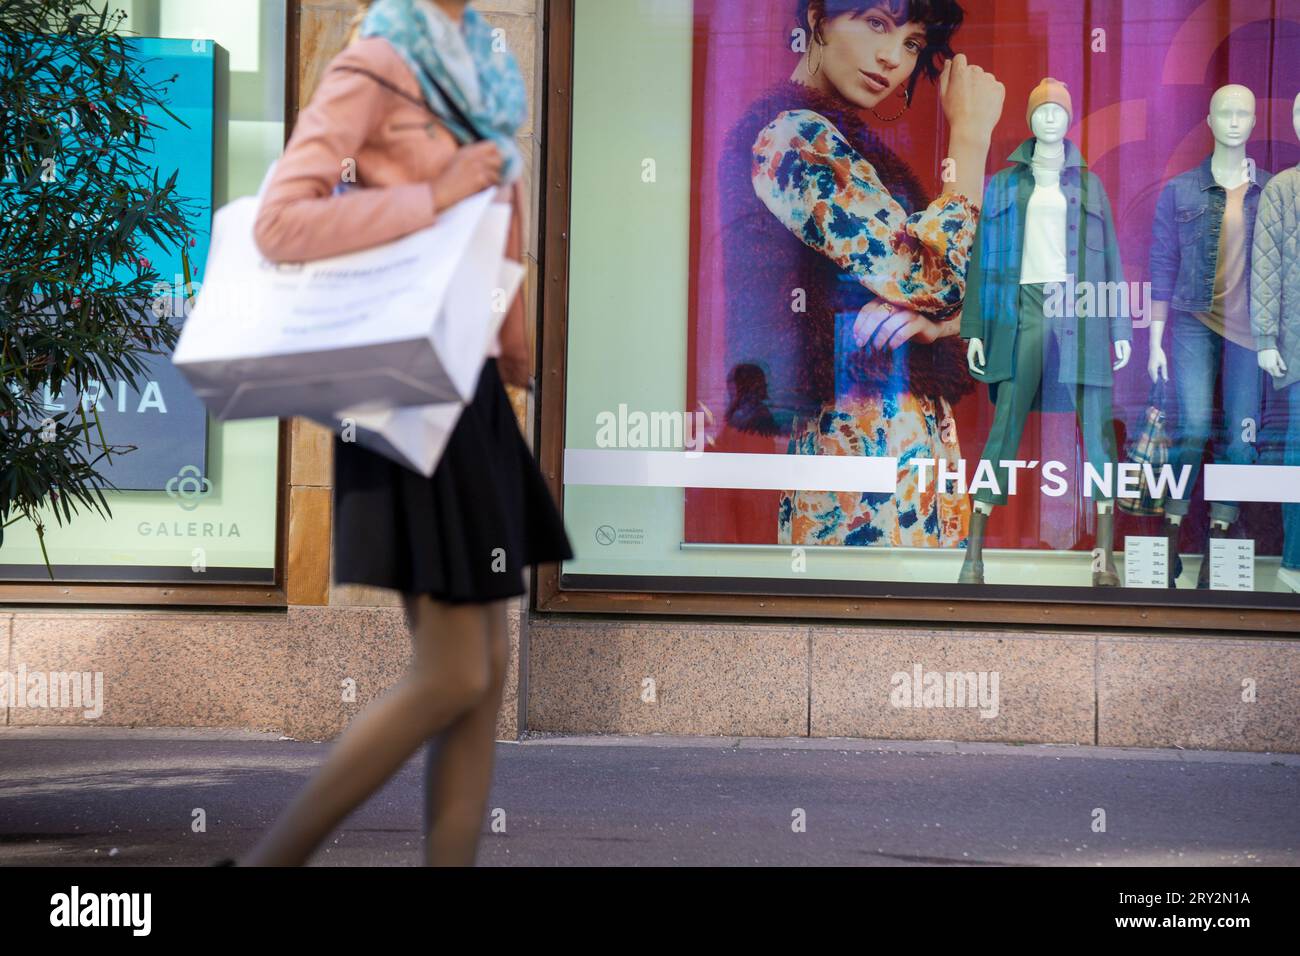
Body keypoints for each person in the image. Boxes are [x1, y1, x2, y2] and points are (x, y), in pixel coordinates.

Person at [223, 0, 572, 867]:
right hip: (404, 381)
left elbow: (494, 233)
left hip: (472, 382)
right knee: (455, 672)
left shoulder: (481, 71)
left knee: (485, 674)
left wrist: (514, 346)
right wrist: (433, 192)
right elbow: (280, 222)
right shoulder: (376, 61)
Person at [721, 0, 1004, 548]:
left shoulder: (847, 148)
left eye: (913, 43)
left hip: (897, 438)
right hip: (863, 445)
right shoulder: (793, 137)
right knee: (869, 619)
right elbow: (931, 279)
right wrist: (969, 140)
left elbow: (941, 292)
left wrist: (940, 325)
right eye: (877, 23)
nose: (891, 58)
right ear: (817, 17)